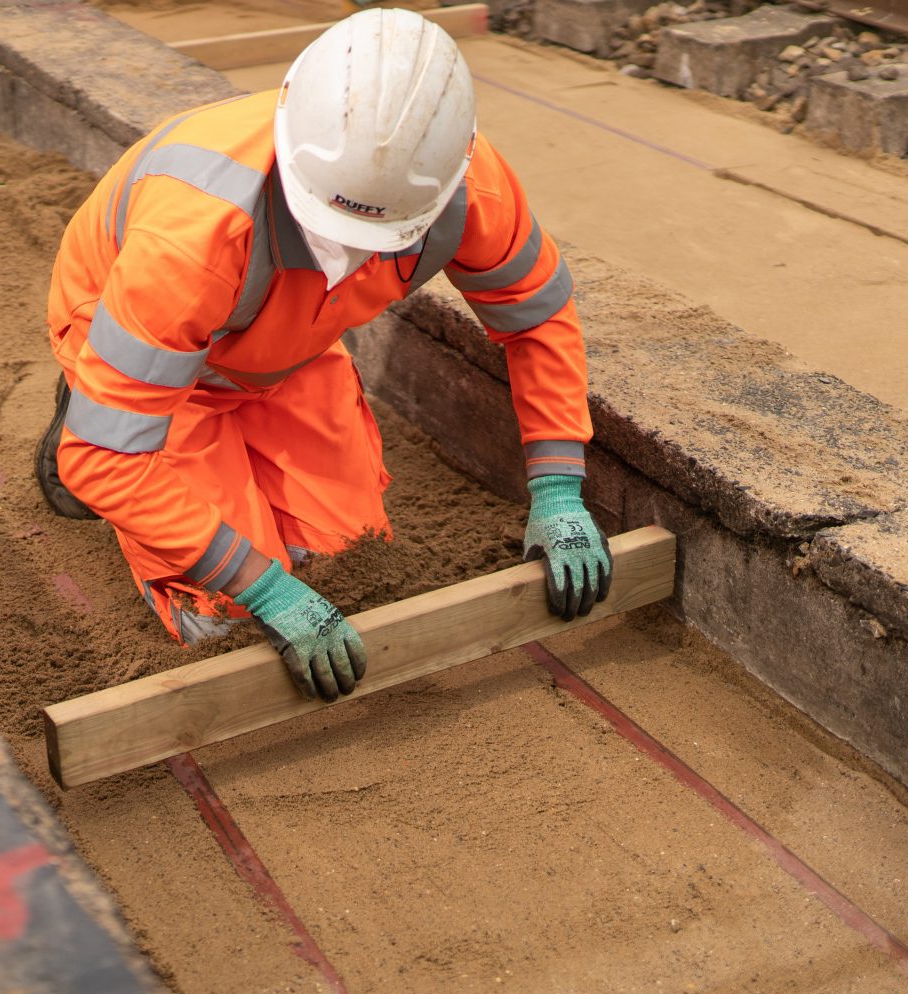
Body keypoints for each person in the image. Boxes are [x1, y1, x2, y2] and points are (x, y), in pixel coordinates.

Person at [38, 8, 609, 702]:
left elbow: (539, 318)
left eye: (380, 238)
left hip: (289, 346)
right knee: (228, 622)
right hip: (159, 358)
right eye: (330, 230)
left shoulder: (464, 184)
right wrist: (263, 586)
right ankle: (93, 402)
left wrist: (556, 487)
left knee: (351, 568)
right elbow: (105, 460)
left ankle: (184, 439)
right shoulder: (190, 241)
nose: (352, 254)